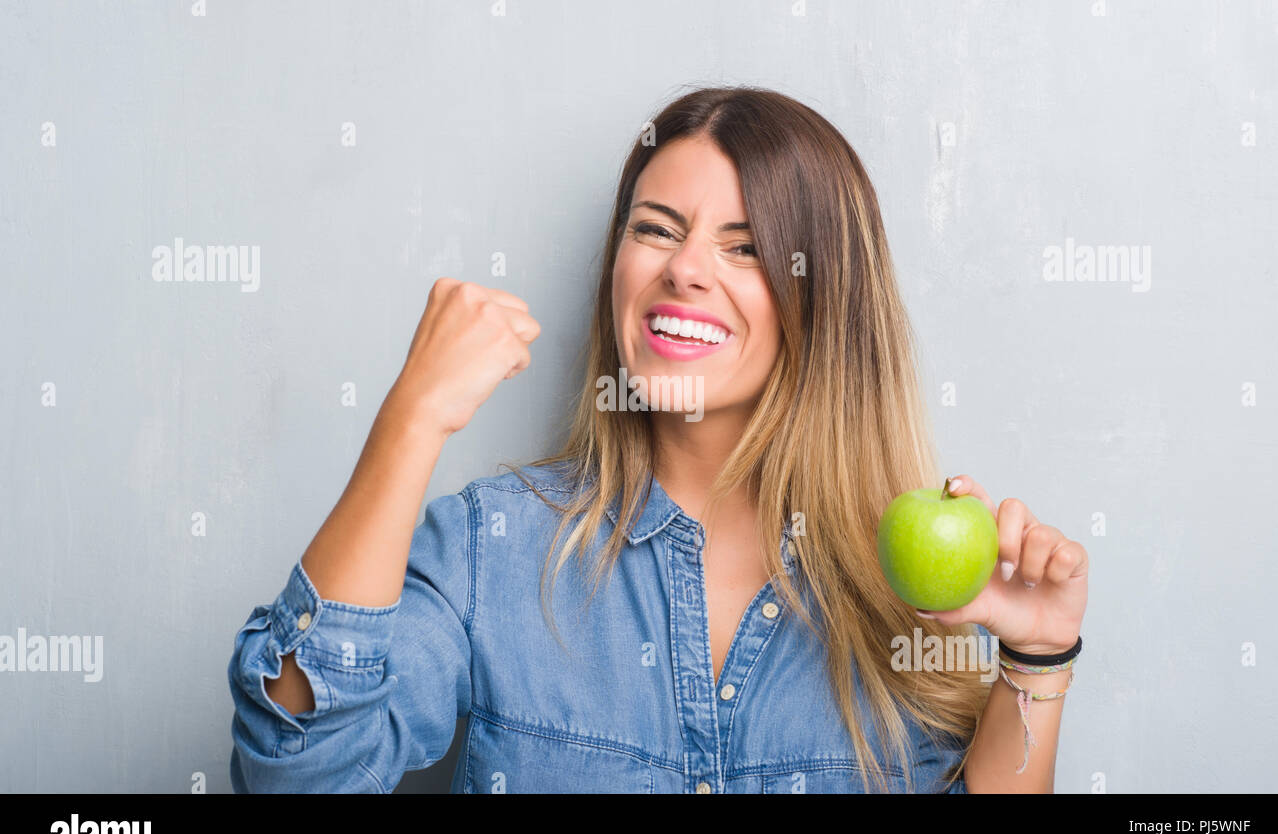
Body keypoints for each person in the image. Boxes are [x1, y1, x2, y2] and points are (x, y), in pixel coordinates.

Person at [227, 86, 1089, 794]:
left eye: (746, 247)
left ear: (825, 304)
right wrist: (408, 420)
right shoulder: (491, 551)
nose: (684, 267)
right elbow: (301, 774)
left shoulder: (910, 589)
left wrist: (1037, 656)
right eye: (655, 229)